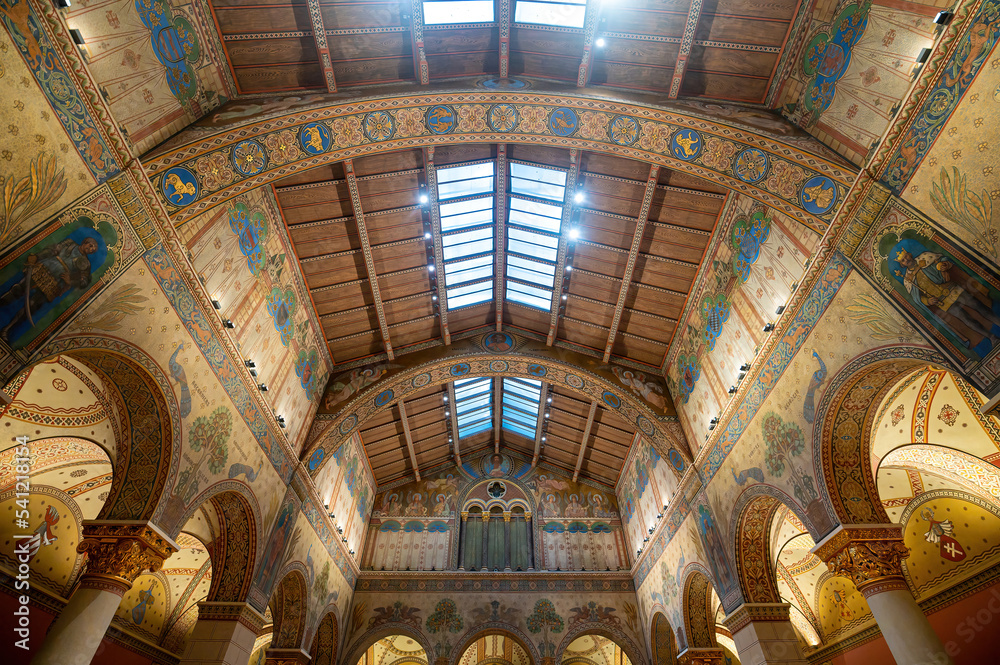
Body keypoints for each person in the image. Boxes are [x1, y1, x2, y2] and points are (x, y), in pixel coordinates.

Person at [891, 242, 1000, 354]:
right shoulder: (907, 279)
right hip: (942, 302)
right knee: (967, 320)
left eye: (906, 256)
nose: (906, 260)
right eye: (903, 260)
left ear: (909, 254)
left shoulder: (925, 257)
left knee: (978, 306)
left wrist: (944, 265)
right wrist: (927, 301)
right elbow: (917, 297)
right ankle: (992, 337)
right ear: (902, 265)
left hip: (952, 289)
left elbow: (942, 260)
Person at [0, 235, 100, 342]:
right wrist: (37, 257)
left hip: (54, 283)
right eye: (90, 246)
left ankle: (6, 329)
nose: (90, 249)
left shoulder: (86, 264)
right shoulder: (69, 243)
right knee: (18, 289)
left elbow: (84, 281)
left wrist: (70, 280)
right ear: (85, 242)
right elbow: (52, 250)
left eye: (92, 250)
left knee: (32, 305)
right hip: (43, 268)